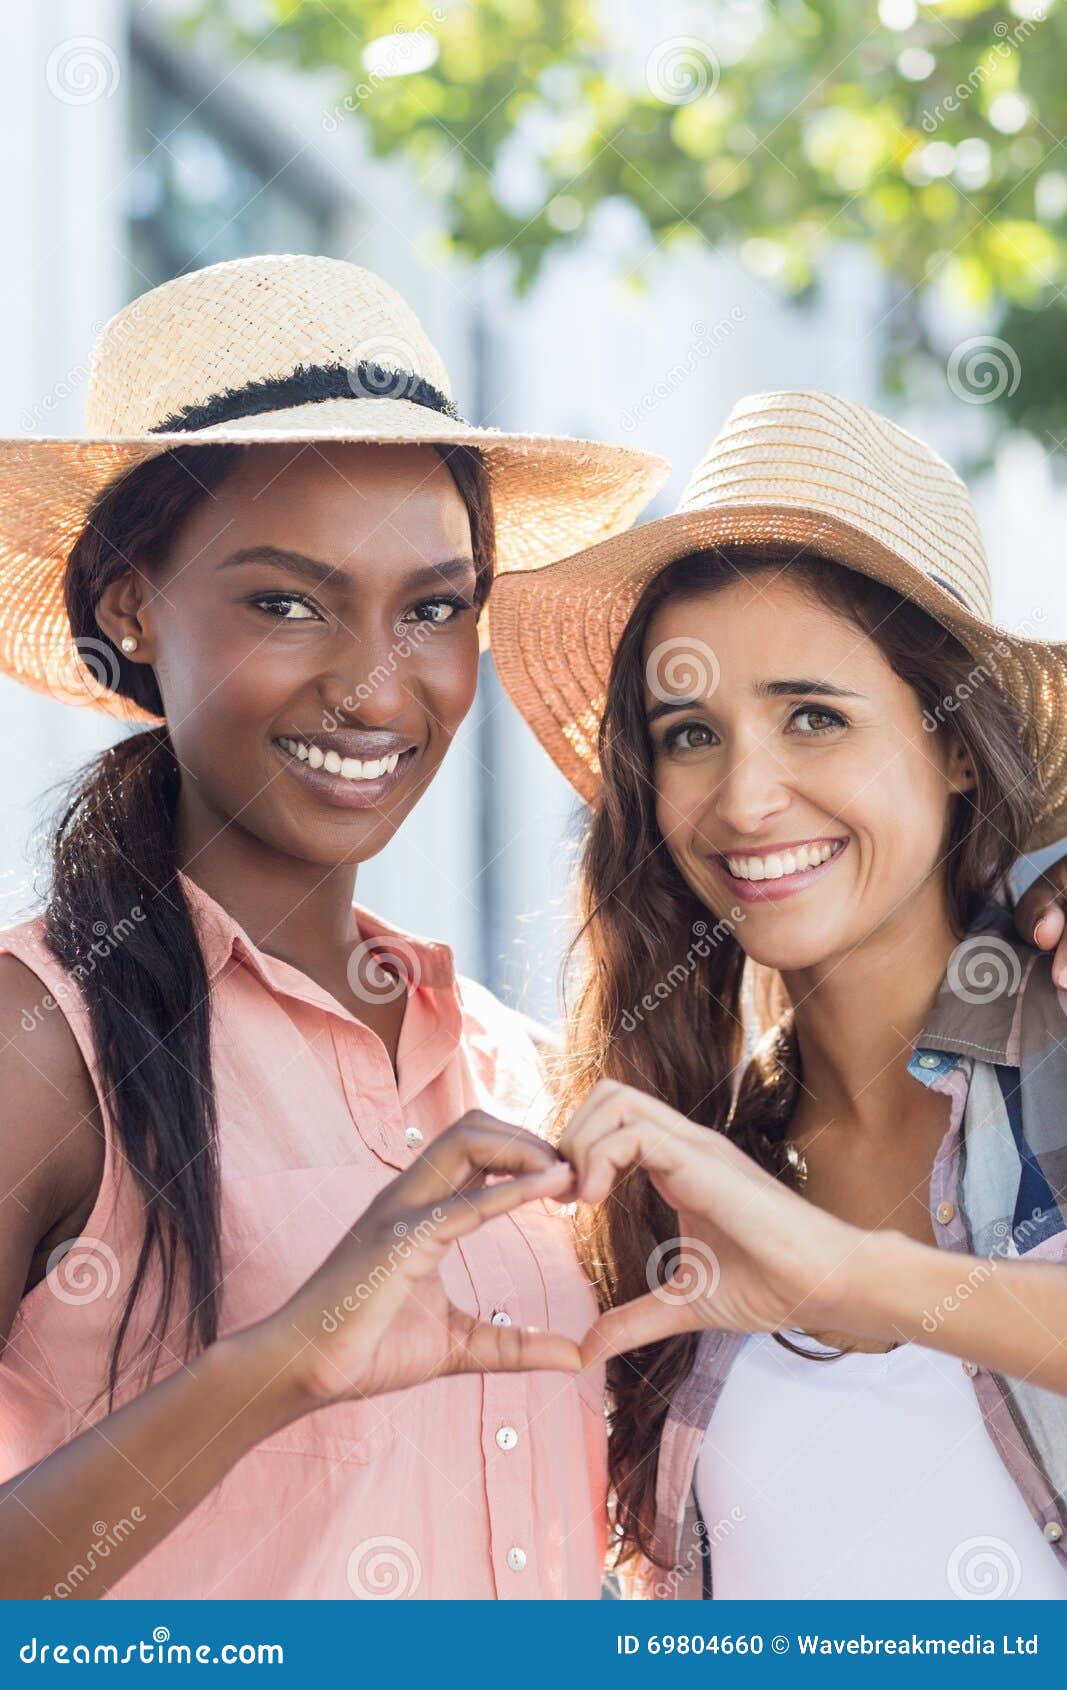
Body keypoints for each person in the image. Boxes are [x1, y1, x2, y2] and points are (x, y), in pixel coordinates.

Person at [0, 253, 668, 1600]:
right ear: (131, 601)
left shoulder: (517, 1072)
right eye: (286, 602)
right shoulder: (40, 1038)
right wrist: (275, 1363)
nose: (377, 688)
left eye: (432, 608)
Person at [492, 389, 1067, 1600]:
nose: (745, 800)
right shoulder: (685, 1151)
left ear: (955, 742)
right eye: (690, 734)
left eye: (812, 716)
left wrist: (846, 1275)